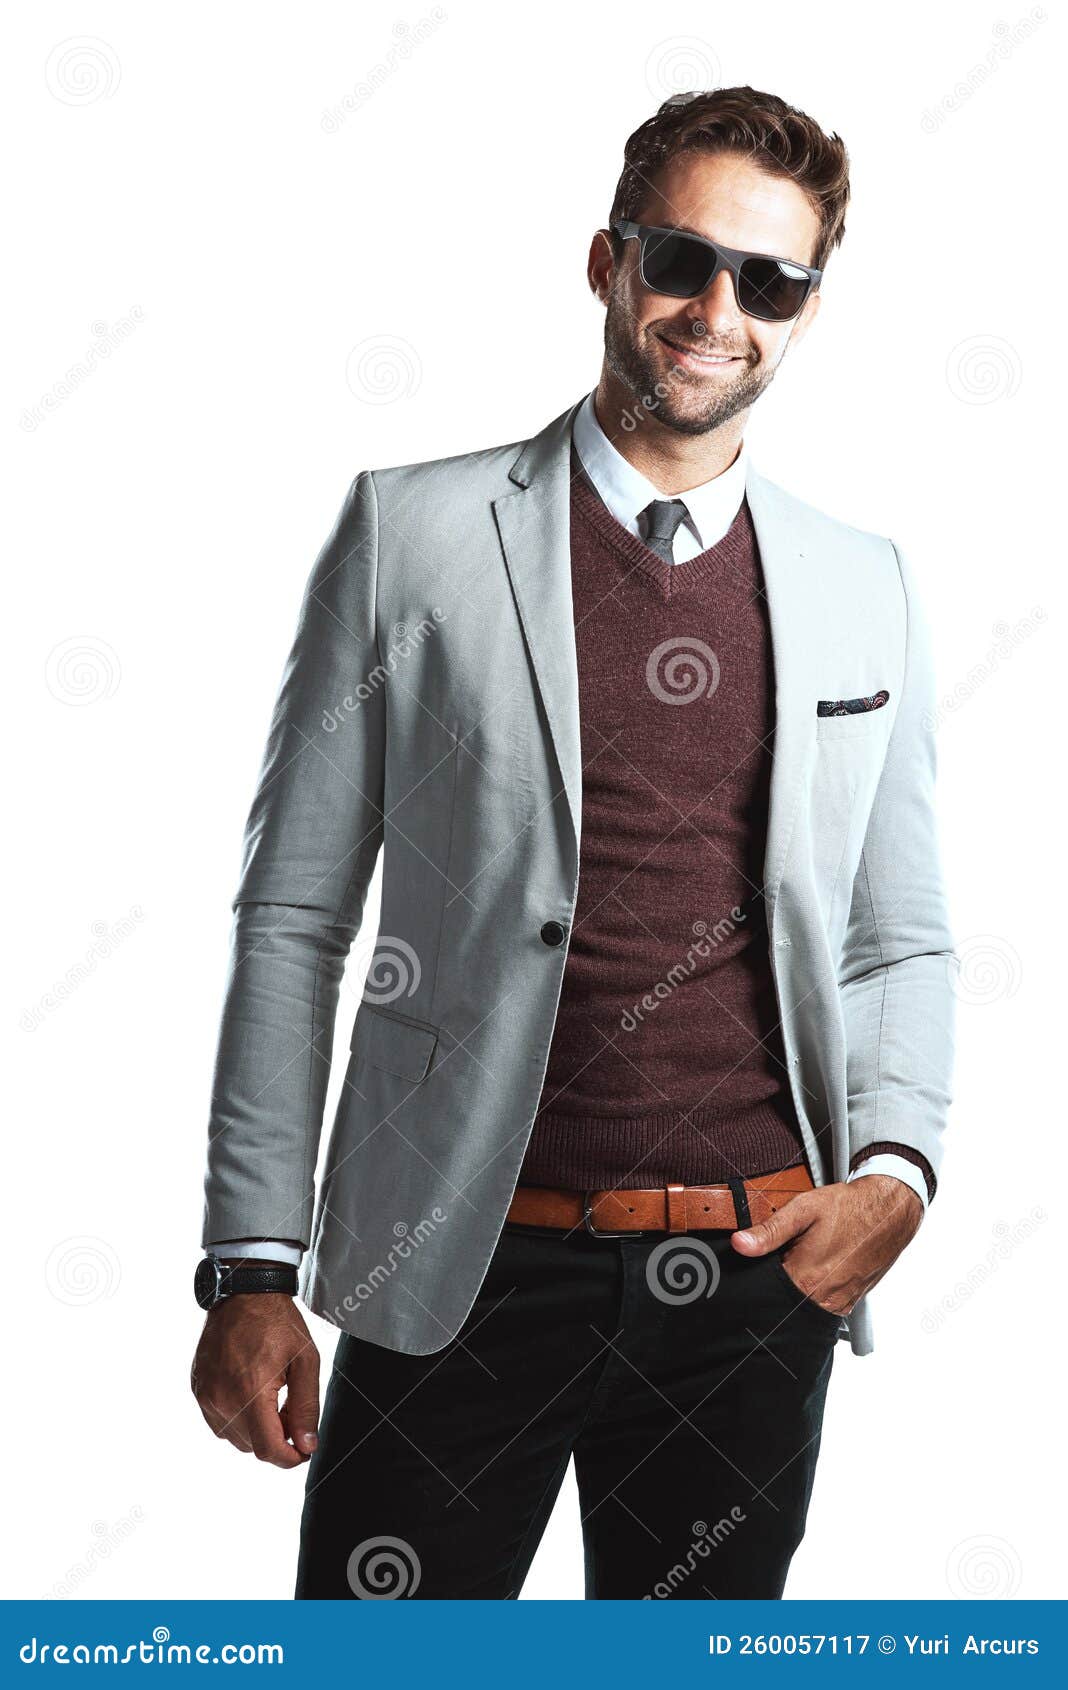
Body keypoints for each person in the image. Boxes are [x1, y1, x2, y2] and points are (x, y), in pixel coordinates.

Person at [191, 85, 957, 1600]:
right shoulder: (411, 530)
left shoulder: (863, 581)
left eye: (770, 281)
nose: (716, 310)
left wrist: (901, 1170)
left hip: (752, 1280)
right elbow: (293, 915)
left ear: (805, 313)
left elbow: (900, 933)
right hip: (460, 1270)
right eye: (682, 259)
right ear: (607, 260)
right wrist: (252, 1264)